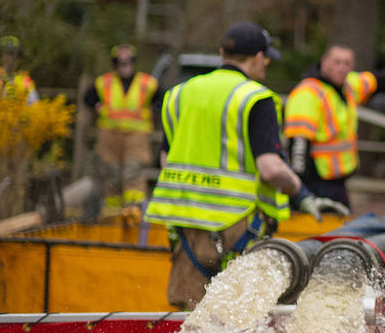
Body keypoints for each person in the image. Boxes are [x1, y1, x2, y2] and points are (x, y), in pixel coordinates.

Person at [146, 23, 349, 309]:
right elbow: (270, 168)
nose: (265, 66)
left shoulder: (178, 94)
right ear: (257, 57)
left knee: (190, 314)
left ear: (222, 53)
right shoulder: (256, 98)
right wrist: (302, 196)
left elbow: (167, 159)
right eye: (265, 60)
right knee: (238, 313)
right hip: (237, 225)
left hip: (185, 223)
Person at [284, 44, 385, 212]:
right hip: (317, 181)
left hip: (338, 180)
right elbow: (298, 145)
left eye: (347, 63)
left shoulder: (348, 86)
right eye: (337, 62)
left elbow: (378, 80)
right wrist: (301, 192)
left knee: (342, 224)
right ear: (324, 62)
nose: (342, 68)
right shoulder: (308, 94)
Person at [82, 44, 162, 206]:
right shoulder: (104, 82)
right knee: (112, 175)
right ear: (115, 64)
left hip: (136, 135)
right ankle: (112, 213)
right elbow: (87, 98)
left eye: (127, 63)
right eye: (121, 63)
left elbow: (162, 98)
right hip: (110, 135)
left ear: (133, 63)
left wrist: (153, 109)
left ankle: (134, 211)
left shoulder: (147, 83)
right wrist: (98, 106)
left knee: (133, 172)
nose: (124, 67)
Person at [0, 35, 39, 105]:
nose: (14, 58)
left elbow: (35, 105)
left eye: (17, 55)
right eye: (10, 53)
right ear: (2, 56)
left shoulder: (25, 80)